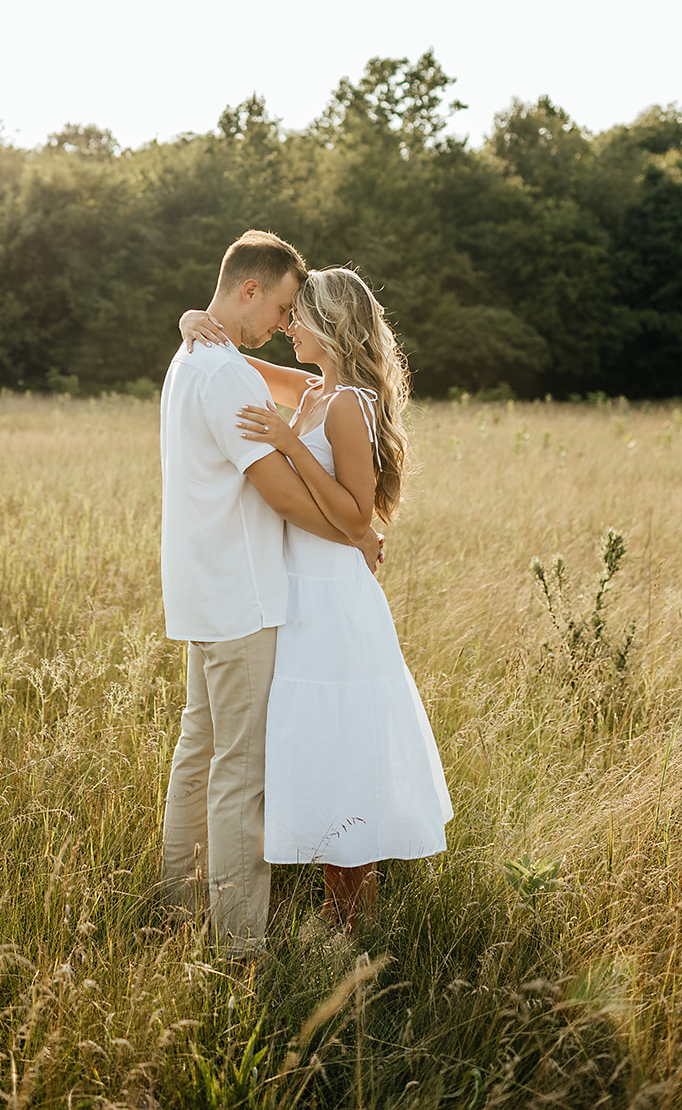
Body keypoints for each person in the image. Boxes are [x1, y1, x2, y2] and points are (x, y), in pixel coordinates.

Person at [180, 266, 452, 933]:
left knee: (342, 746)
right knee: (321, 747)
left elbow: (358, 518)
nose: (286, 326)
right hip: (301, 592)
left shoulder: (348, 404)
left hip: (333, 597)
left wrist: (285, 447)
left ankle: (350, 921)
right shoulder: (316, 389)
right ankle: (339, 915)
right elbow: (235, 358)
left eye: (296, 316)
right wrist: (189, 324)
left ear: (327, 324)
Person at [160, 232, 383, 955]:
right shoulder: (223, 374)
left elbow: (308, 393)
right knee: (239, 772)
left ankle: (176, 906)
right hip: (241, 596)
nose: (286, 324)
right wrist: (354, 534)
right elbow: (284, 499)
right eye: (283, 305)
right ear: (249, 289)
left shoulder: (194, 358)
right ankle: (238, 945)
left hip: (203, 589)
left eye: (299, 314)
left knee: (199, 748)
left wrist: (194, 319)